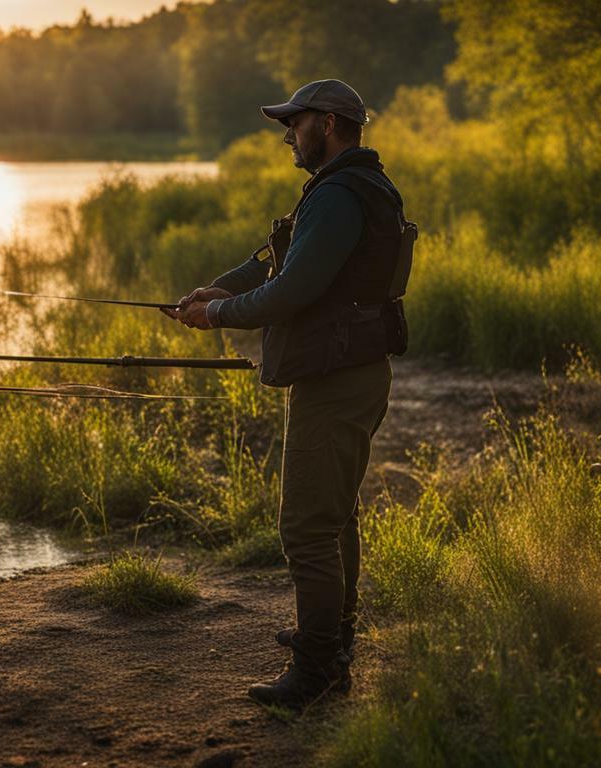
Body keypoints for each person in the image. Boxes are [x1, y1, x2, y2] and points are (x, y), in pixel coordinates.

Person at [163, 79, 410, 708]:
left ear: (326, 124)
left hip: (335, 381)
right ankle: (333, 642)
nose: (287, 136)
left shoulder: (339, 195)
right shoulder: (351, 186)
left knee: (306, 528)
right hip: (349, 372)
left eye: (294, 125)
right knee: (336, 517)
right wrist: (219, 291)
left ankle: (317, 670)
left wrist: (219, 316)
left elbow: (293, 290)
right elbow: (279, 265)